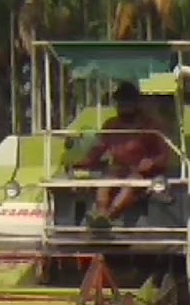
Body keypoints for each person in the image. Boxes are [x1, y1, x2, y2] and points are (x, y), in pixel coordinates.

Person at [72, 80, 172, 227]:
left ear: (136, 103)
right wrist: (83, 163)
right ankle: (100, 215)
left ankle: (110, 215)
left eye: (127, 102)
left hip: (143, 173)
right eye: (120, 102)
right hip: (118, 170)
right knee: (105, 182)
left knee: (130, 183)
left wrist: (152, 162)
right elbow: (98, 150)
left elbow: (164, 155)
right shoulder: (111, 125)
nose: (123, 106)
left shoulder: (151, 126)